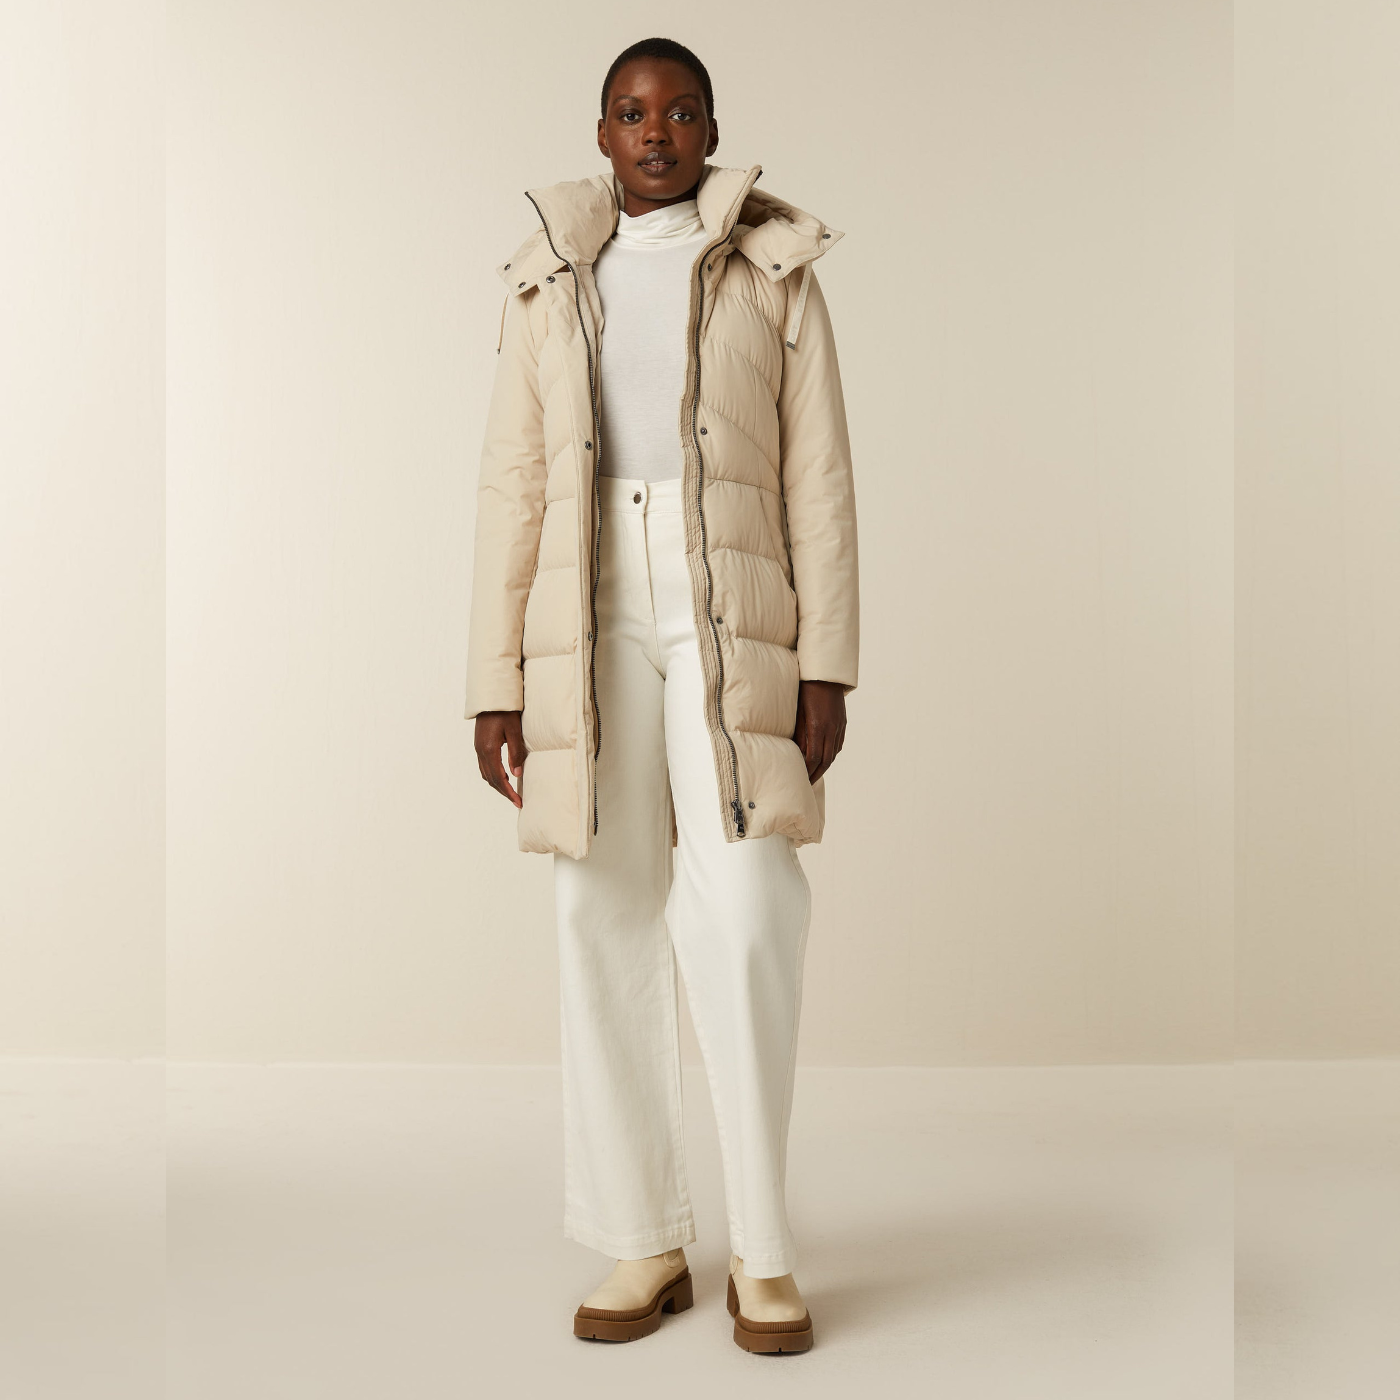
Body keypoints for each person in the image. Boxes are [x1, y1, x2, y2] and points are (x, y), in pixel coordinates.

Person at [464, 36, 858, 1355]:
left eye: (681, 112)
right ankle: (642, 1239)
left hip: (728, 596)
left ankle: (764, 1250)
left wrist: (826, 664)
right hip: (587, 607)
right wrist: (495, 680)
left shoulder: (772, 271)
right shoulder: (547, 281)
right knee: (600, 900)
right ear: (601, 133)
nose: (655, 132)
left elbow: (820, 477)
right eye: (632, 112)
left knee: (748, 901)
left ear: (710, 132)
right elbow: (514, 483)